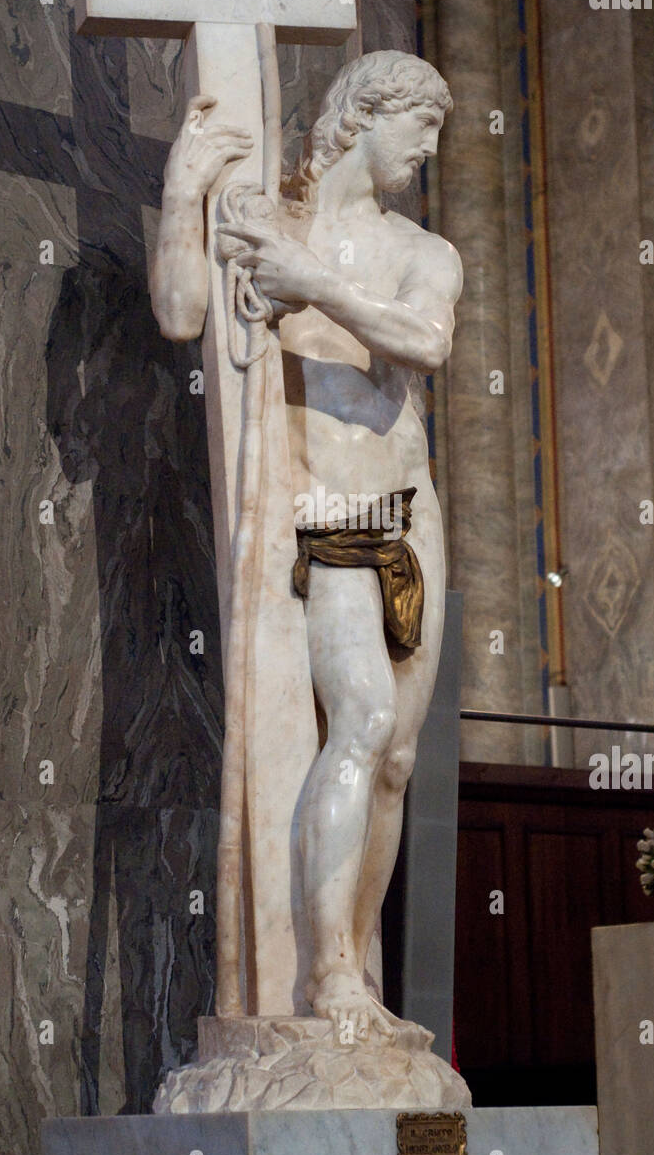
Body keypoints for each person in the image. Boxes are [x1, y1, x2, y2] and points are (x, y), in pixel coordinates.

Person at [151, 51, 462, 1041]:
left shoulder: (423, 251)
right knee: (361, 712)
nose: (427, 144)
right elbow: (177, 313)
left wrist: (311, 284)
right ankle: (327, 971)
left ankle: (354, 962)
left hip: (405, 507)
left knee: (398, 755)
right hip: (321, 505)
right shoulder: (263, 223)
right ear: (359, 116)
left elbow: (424, 341)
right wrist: (180, 196)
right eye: (416, 122)